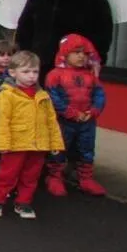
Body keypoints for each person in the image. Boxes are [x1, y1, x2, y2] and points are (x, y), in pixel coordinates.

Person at [0, 51, 65, 219]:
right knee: (7, 175)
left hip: (38, 144)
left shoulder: (43, 95)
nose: (31, 76)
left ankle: (23, 202)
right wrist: (2, 144)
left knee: (31, 176)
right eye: (26, 71)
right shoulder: (6, 94)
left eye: (35, 71)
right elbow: (1, 121)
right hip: (15, 144)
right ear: (13, 72)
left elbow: (51, 121)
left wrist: (55, 144)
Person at [43, 34, 107, 197]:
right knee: (59, 148)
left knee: (87, 149)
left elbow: (100, 95)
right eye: (77, 52)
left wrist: (94, 111)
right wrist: (71, 113)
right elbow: (53, 98)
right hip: (63, 121)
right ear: (65, 53)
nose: (81, 56)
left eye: (85, 53)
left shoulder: (91, 75)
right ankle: (54, 177)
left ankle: (86, 178)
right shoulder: (54, 75)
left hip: (87, 121)